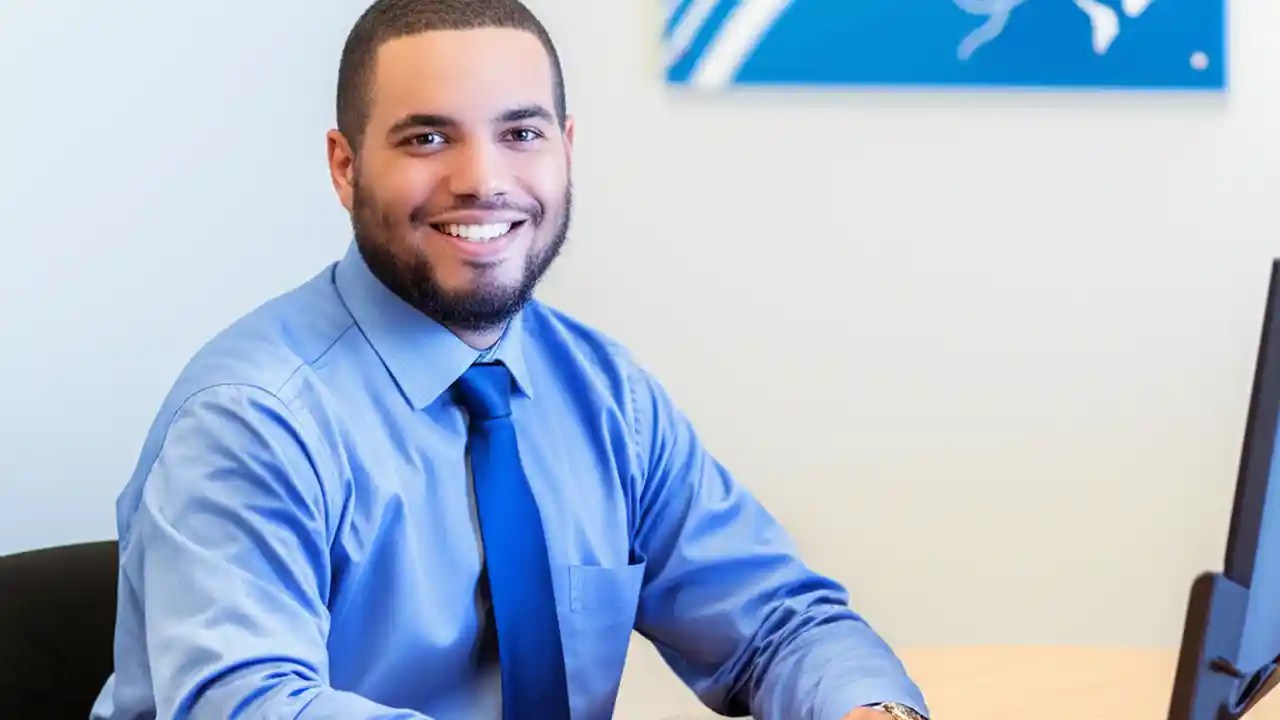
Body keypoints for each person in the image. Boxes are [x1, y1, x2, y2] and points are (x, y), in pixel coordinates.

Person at [90, 1, 930, 719]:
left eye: (520, 132)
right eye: (426, 138)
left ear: (564, 148)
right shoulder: (250, 418)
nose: (483, 179)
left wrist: (869, 709)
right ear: (346, 169)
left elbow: (779, 622)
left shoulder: (606, 397)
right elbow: (251, 705)